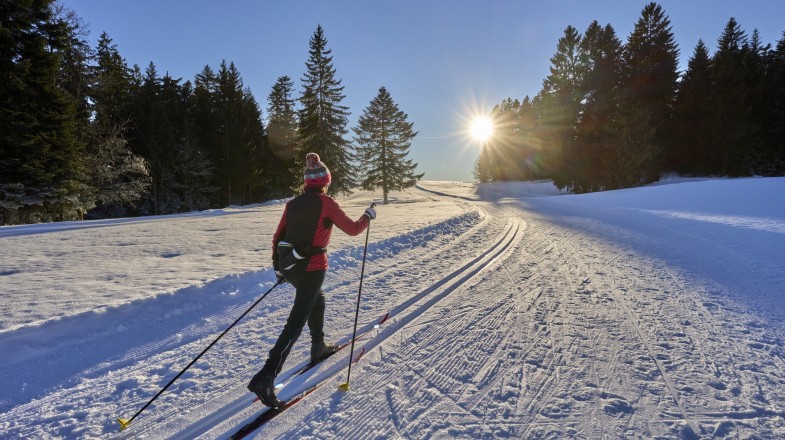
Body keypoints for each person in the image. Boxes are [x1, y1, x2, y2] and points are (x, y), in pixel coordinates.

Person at [248, 152, 377, 407]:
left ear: (307, 183)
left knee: (317, 299)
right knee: (296, 320)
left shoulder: (292, 204)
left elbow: (277, 238)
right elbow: (352, 229)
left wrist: (278, 269)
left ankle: (318, 346)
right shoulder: (326, 203)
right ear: (325, 182)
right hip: (313, 269)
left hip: (292, 267)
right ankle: (267, 375)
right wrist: (368, 217)